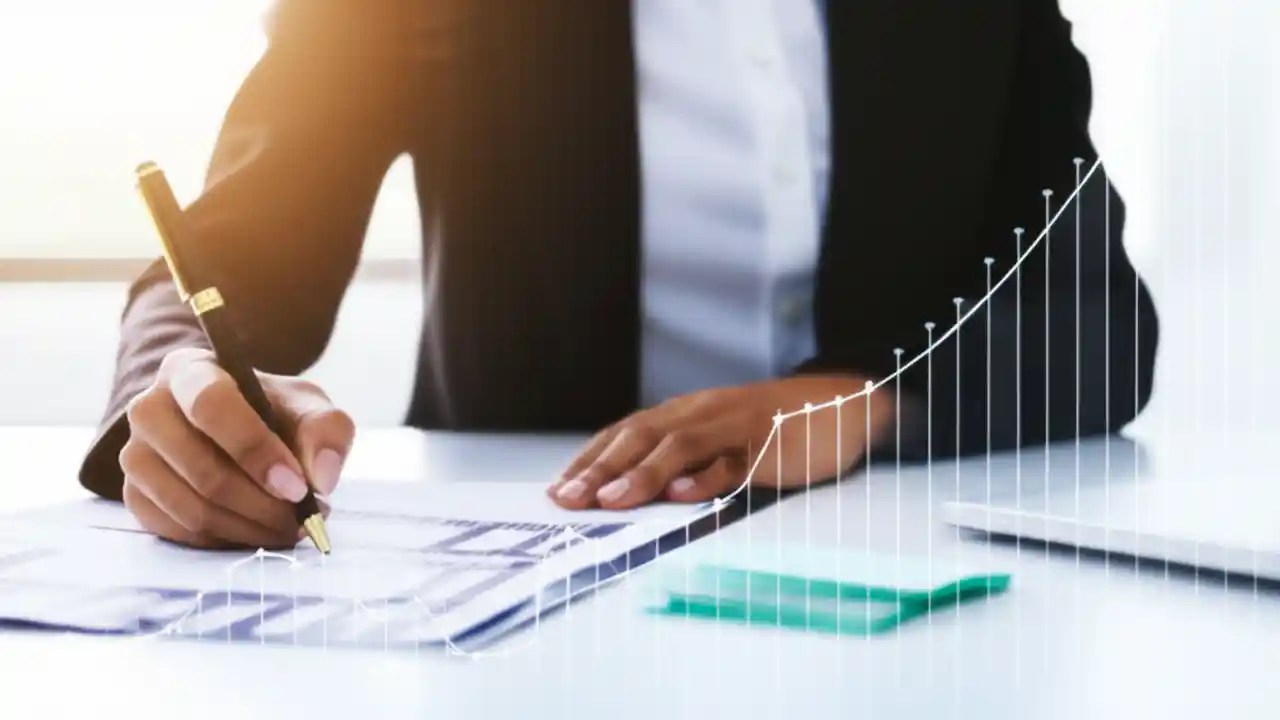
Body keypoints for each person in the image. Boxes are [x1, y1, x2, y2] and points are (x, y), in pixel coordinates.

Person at [79, 0, 1158, 550]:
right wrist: (176, 385)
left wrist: (862, 403)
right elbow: (235, 249)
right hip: (533, 561)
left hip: (907, 550)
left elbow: (1099, 322)